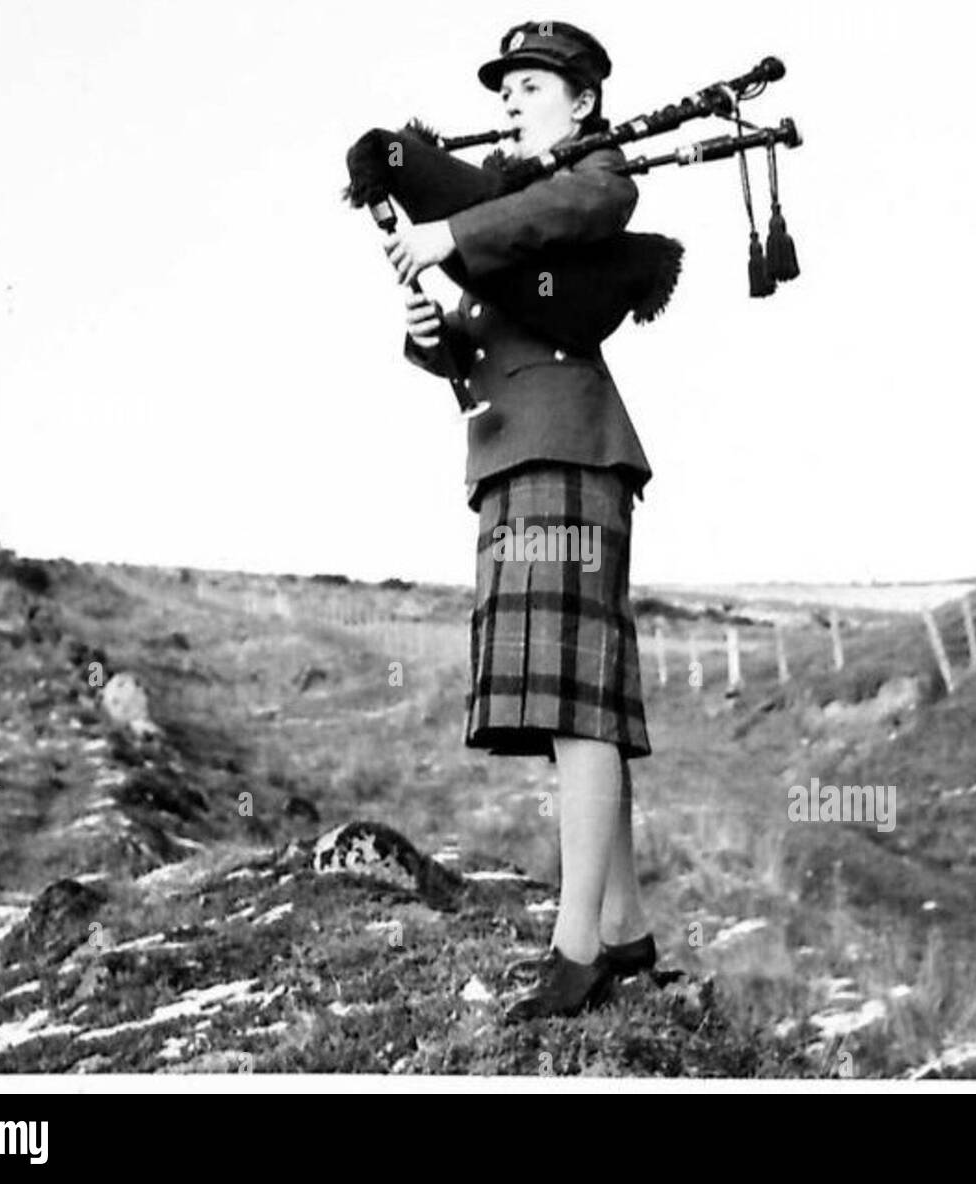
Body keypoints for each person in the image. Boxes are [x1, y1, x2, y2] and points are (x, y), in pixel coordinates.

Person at [385, 21, 660, 1021]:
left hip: (567, 450)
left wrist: (449, 232)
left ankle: (575, 946)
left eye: (532, 84)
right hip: (512, 451)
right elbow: (486, 341)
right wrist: (435, 337)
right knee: (565, 707)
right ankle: (623, 928)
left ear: (581, 101)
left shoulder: (595, 180)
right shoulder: (512, 201)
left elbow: (561, 214)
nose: (510, 98)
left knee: (577, 704)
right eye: (505, 87)